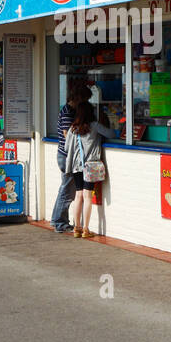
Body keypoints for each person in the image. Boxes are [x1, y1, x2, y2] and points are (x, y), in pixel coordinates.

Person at [64, 101, 113, 239]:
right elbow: (111, 134)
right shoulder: (95, 126)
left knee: (78, 195)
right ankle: (86, 229)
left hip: (76, 165)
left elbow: (67, 148)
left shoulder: (73, 129)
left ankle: (76, 228)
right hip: (90, 166)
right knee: (87, 196)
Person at [50, 83, 88, 232]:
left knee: (64, 190)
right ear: (78, 98)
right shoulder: (68, 113)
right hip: (67, 157)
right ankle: (60, 223)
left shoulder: (69, 110)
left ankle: (56, 220)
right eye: (84, 99)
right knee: (67, 192)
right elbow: (68, 137)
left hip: (64, 155)